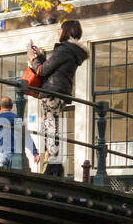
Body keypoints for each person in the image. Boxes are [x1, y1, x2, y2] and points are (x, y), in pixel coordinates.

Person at [28, 19, 89, 177]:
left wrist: (32, 59)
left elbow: (42, 72)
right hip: (60, 92)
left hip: (52, 93)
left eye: (60, 29)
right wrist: (40, 56)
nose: (58, 32)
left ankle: (54, 168)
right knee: (51, 127)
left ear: (66, 31)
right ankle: (54, 165)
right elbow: (51, 68)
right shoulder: (71, 51)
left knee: (51, 128)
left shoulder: (64, 50)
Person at [0, 97, 21, 169]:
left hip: (2, 154)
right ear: (12, 106)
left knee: (0, 179)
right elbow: (23, 137)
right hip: (16, 156)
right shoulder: (18, 119)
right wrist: (35, 153)